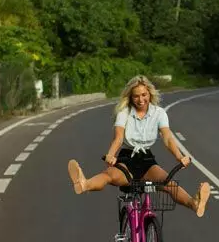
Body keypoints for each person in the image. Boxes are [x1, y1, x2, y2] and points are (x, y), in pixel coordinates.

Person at [67, 75, 211, 217]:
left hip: (147, 160)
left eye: (144, 95)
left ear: (150, 93)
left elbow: (167, 137)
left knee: (169, 183)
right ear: (130, 97)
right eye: (136, 96)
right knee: (109, 175)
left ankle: (194, 203)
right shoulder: (124, 113)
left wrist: (179, 156)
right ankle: (85, 184)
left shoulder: (159, 113)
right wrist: (110, 155)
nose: (141, 100)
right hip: (126, 158)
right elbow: (118, 138)